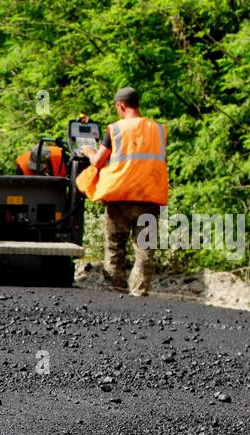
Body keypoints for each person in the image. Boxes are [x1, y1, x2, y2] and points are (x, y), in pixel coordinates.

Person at [78, 87, 169, 296]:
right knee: (145, 250)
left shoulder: (116, 129)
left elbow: (99, 161)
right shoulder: (159, 130)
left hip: (120, 198)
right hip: (148, 198)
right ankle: (139, 295)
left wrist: (89, 151)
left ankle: (115, 295)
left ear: (120, 105)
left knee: (114, 248)